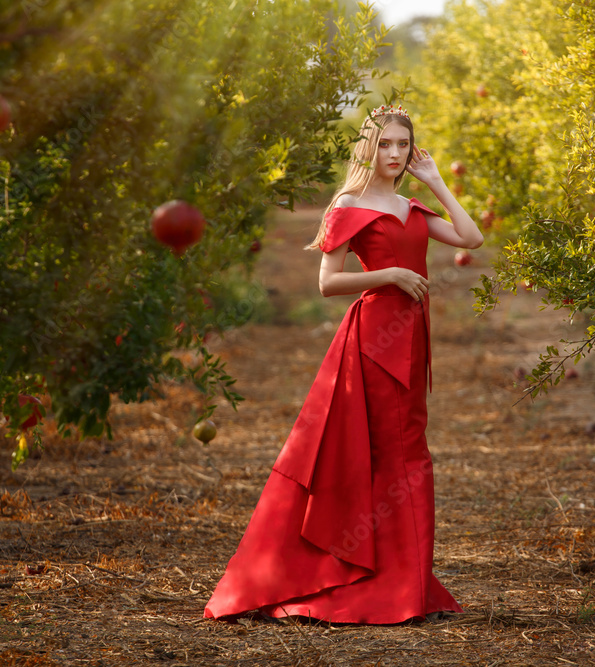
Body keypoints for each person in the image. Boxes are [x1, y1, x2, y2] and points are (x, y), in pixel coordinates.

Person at [204, 104, 484, 624]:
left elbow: (471, 238)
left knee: (404, 457)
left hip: (413, 342)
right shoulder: (348, 205)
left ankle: (406, 583)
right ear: (368, 148)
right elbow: (327, 283)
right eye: (385, 145)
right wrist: (390, 274)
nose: (395, 154)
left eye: (403, 145)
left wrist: (439, 182)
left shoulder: (411, 206)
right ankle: (392, 588)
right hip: (374, 344)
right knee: (393, 458)